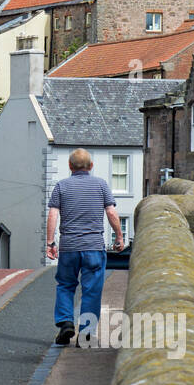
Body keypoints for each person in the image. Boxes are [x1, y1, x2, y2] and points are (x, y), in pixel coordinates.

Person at [46, 148, 124, 347]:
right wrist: (119, 236)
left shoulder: (61, 186)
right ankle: (86, 333)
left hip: (69, 247)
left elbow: (53, 215)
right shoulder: (101, 185)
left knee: (65, 284)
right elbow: (112, 213)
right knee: (92, 290)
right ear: (91, 166)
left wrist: (50, 242)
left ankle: (65, 323)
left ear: (70, 166)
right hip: (94, 248)